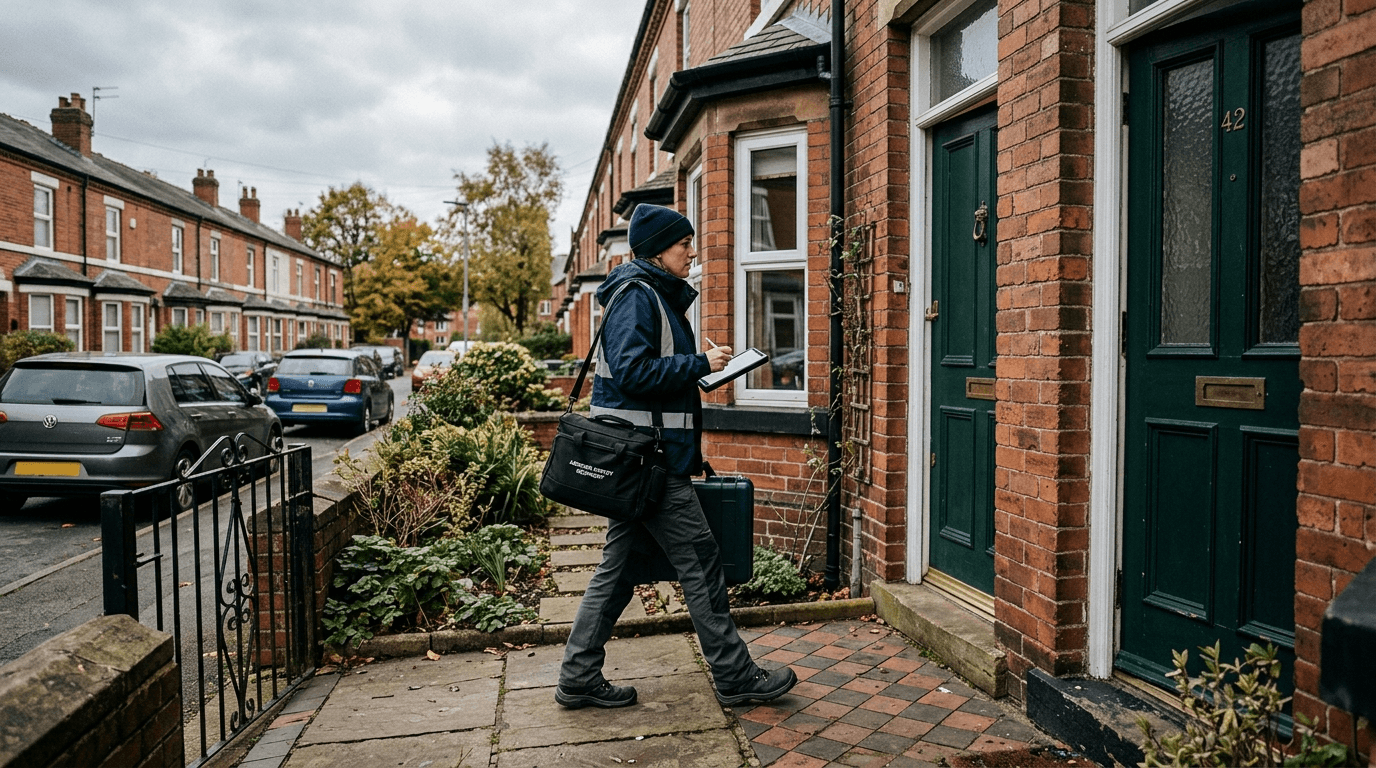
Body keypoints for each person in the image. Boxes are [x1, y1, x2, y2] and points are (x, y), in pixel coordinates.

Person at [555, 203, 798, 710]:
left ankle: (578, 676)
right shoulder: (637, 296)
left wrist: (700, 372)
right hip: (650, 465)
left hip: (650, 461)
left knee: (618, 571)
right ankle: (734, 676)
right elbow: (632, 372)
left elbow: (653, 376)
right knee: (703, 562)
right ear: (658, 248)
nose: (692, 251)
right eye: (684, 243)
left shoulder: (653, 296)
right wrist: (699, 363)